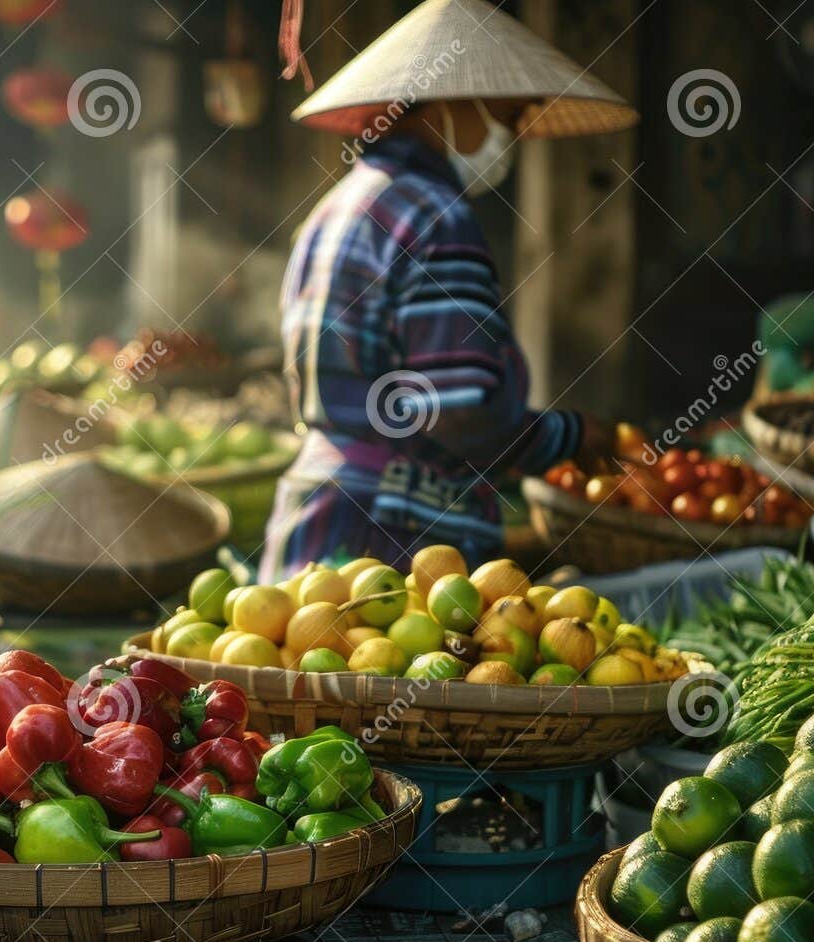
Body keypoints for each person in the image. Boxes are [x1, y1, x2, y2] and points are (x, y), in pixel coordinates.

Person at [261, 0, 637, 579]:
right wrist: (572, 435)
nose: (511, 138)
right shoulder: (436, 217)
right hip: (395, 538)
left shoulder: (339, 204)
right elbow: (460, 414)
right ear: (450, 103)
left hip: (320, 520)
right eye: (507, 118)